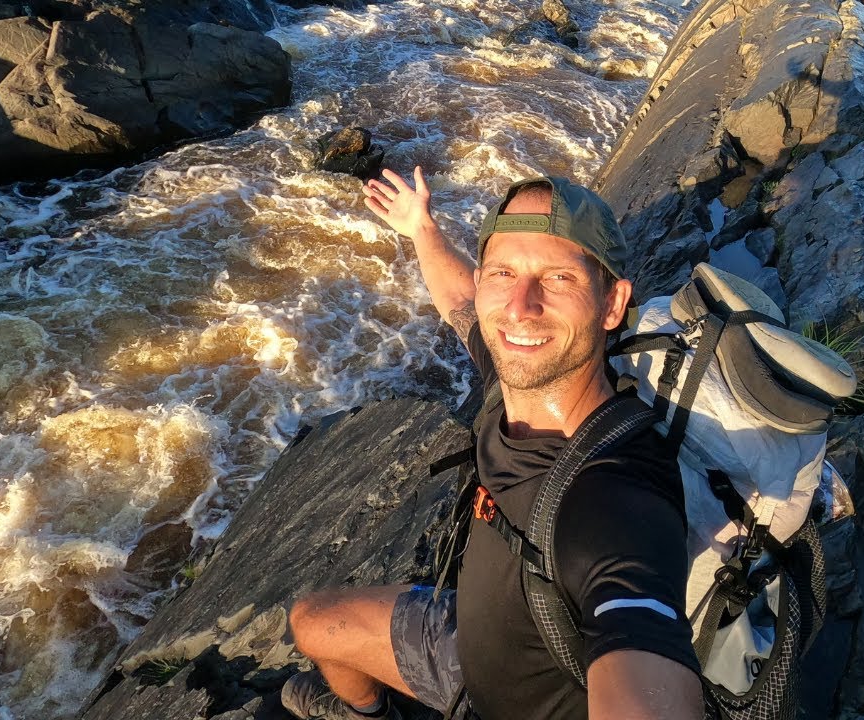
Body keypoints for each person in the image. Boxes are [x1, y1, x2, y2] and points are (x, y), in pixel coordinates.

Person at [279, 167, 705, 720]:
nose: (520, 306)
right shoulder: (513, 377)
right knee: (311, 620)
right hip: (473, 646)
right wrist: (421, 228)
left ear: (613, 304)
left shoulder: (615, 496)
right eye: (502, 272)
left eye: (558, 279)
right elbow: (461, 300)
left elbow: (642, 654)